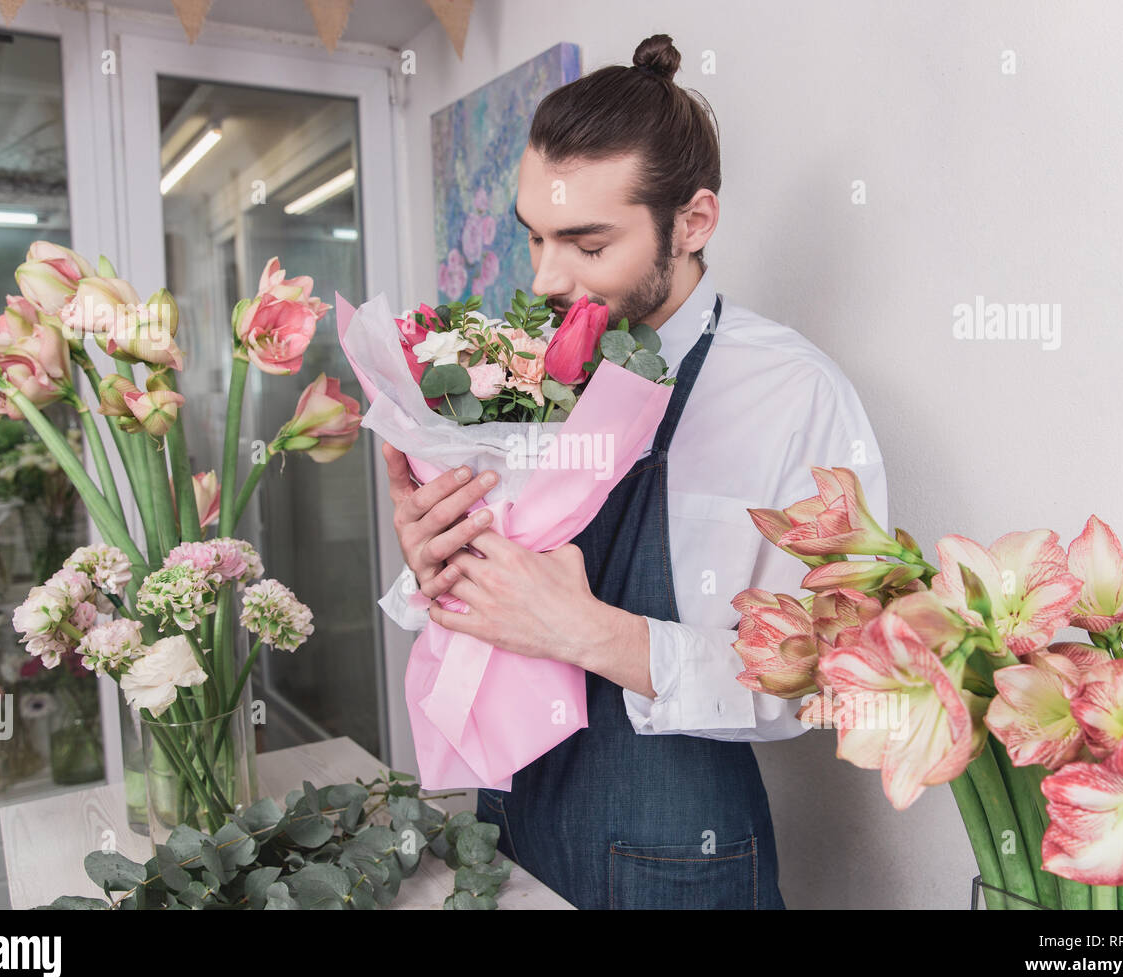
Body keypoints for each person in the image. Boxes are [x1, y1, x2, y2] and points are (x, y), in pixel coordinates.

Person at [378, 33, 888, 909]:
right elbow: (494, 603)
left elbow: (838, 678)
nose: (545, 279)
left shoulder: (796, 397)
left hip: (683, 867)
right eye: (535, 237)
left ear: (693, 221)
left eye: (585, 242)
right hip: (511, 829)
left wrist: (589, 632)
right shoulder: (527, 367)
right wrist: (439, 565)